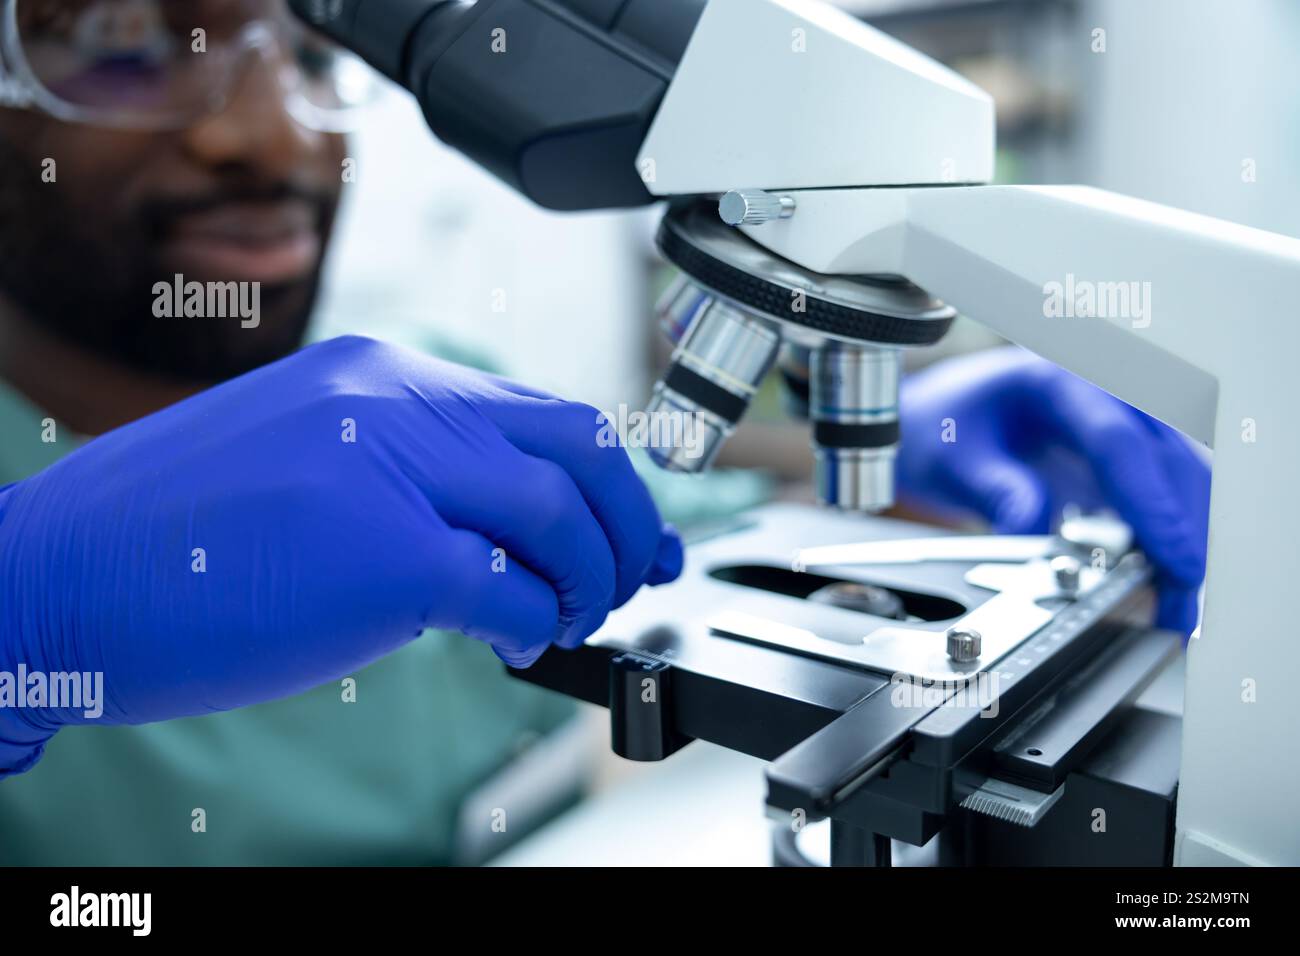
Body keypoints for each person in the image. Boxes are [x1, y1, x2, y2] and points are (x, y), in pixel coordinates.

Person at [0, 0, 1207, 865]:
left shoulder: (436, 389)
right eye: (125, 43)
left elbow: (689, 527)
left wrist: (891, 452)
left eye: (311, 54)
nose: (270, 139)